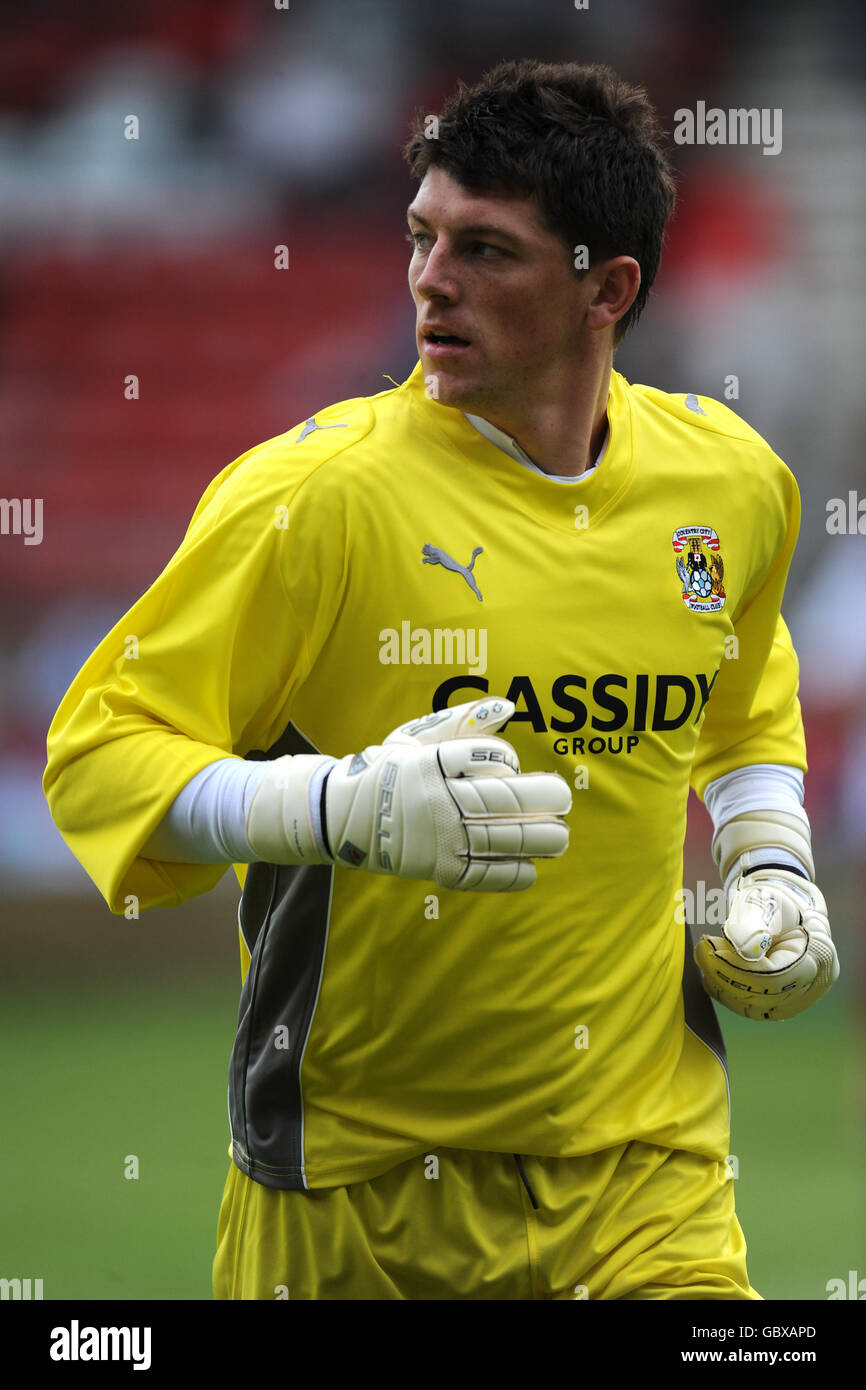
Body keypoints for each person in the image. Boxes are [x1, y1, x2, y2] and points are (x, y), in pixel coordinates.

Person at [43, 59, 838, 1301]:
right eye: (420, 237)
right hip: (352, 1189)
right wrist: (330, 806)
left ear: (605, 288)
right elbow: (97, 751)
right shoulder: (313, 498)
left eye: (486, 249)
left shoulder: (727, 481)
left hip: (647, 1175)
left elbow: (739, 698)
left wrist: (770, 850)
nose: (429, 280)